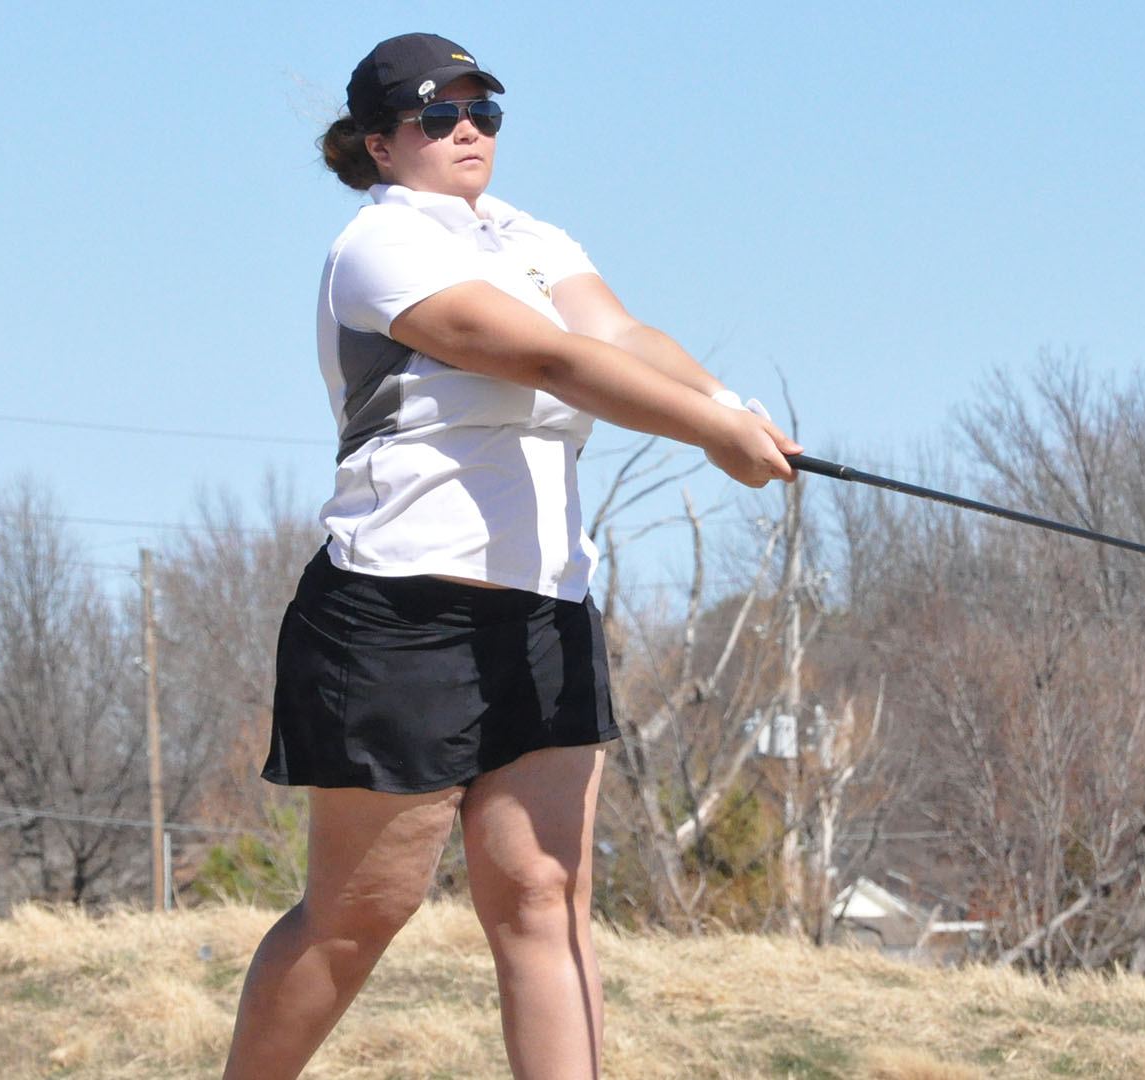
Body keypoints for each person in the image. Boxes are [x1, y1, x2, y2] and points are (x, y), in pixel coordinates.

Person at [220, 32, 801, 1080]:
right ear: (380, 144)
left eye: (483, 110)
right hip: (398, 613)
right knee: (361, 914)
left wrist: (724, 404)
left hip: (543, 611)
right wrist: (706, 436)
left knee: (543, 895)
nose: (467, 130)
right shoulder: (380, 246)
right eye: (436, 116)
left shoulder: (532, 236)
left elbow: (617, 336)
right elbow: (542, 354)